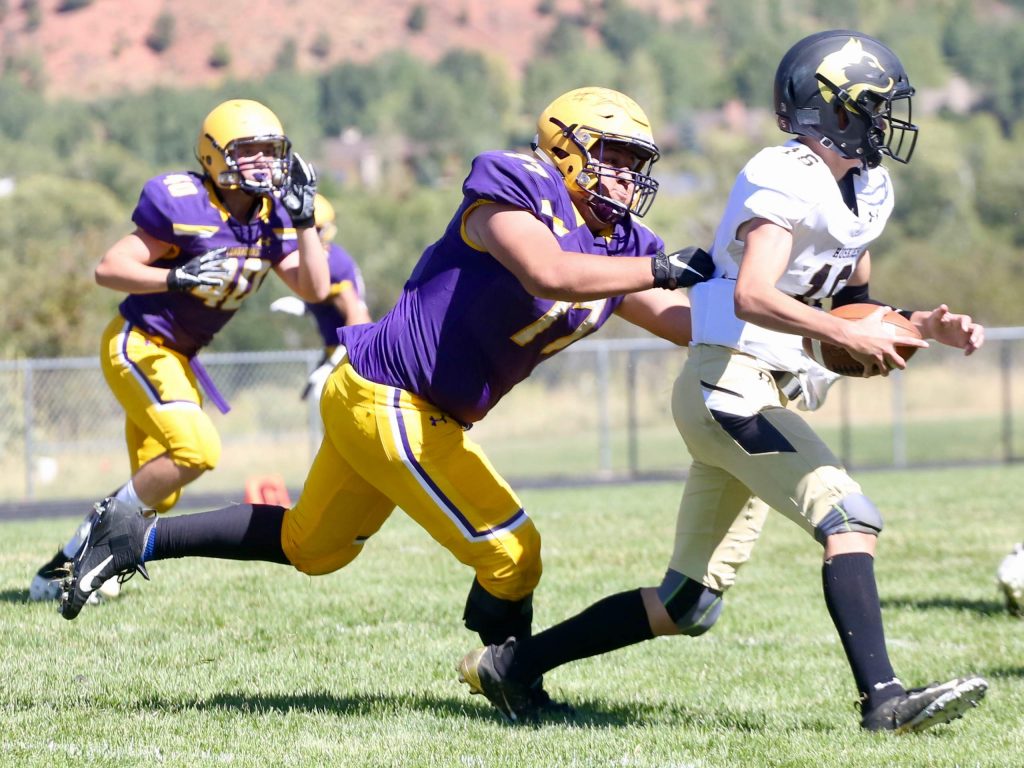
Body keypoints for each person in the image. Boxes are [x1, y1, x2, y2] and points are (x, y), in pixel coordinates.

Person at [56, 86, 713, 703]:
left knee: (314, 550)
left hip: (400, 405)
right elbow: (551, 270)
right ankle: (514, 680)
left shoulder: (621, 245)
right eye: (614, 158)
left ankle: (133, 539)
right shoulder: (516, 186)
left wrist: (780, 324)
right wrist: (661, 268)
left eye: (637, 164)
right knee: (513, 552)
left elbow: (681, 321)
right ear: (565, 149)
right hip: (391, 397)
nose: (628, 176)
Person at [456, 30, 990, 733]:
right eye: (873, 104)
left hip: (765, 386)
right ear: (831, 110)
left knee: (689, 604)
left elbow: (851, 304)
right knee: (848, 516)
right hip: (728, 384)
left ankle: (510, 667)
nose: (886, 119)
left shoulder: (868, 187)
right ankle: (883, 699)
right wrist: (843, 334)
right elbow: (754, 295)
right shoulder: (786, 172)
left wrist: (919, 324)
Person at [29, 98, 328, 603]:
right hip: (139, 344)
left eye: (269, 152)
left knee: (160, 491)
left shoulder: (275, 216)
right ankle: (103, 539)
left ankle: (60, 568)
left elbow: (315, 288)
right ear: (213, 157)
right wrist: (175, 276)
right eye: (248, 151)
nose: (263, 163)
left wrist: (305, 224)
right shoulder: (183, 202)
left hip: (179, 359)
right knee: (197, 450)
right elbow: (109, 268)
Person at [270, 194, 372, 402]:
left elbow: (359, 314)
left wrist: (338, 359)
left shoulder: (331, 263)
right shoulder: (329, 257)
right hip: (338, 349)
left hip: (350, 352)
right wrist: (307, 306)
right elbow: (331, 300)